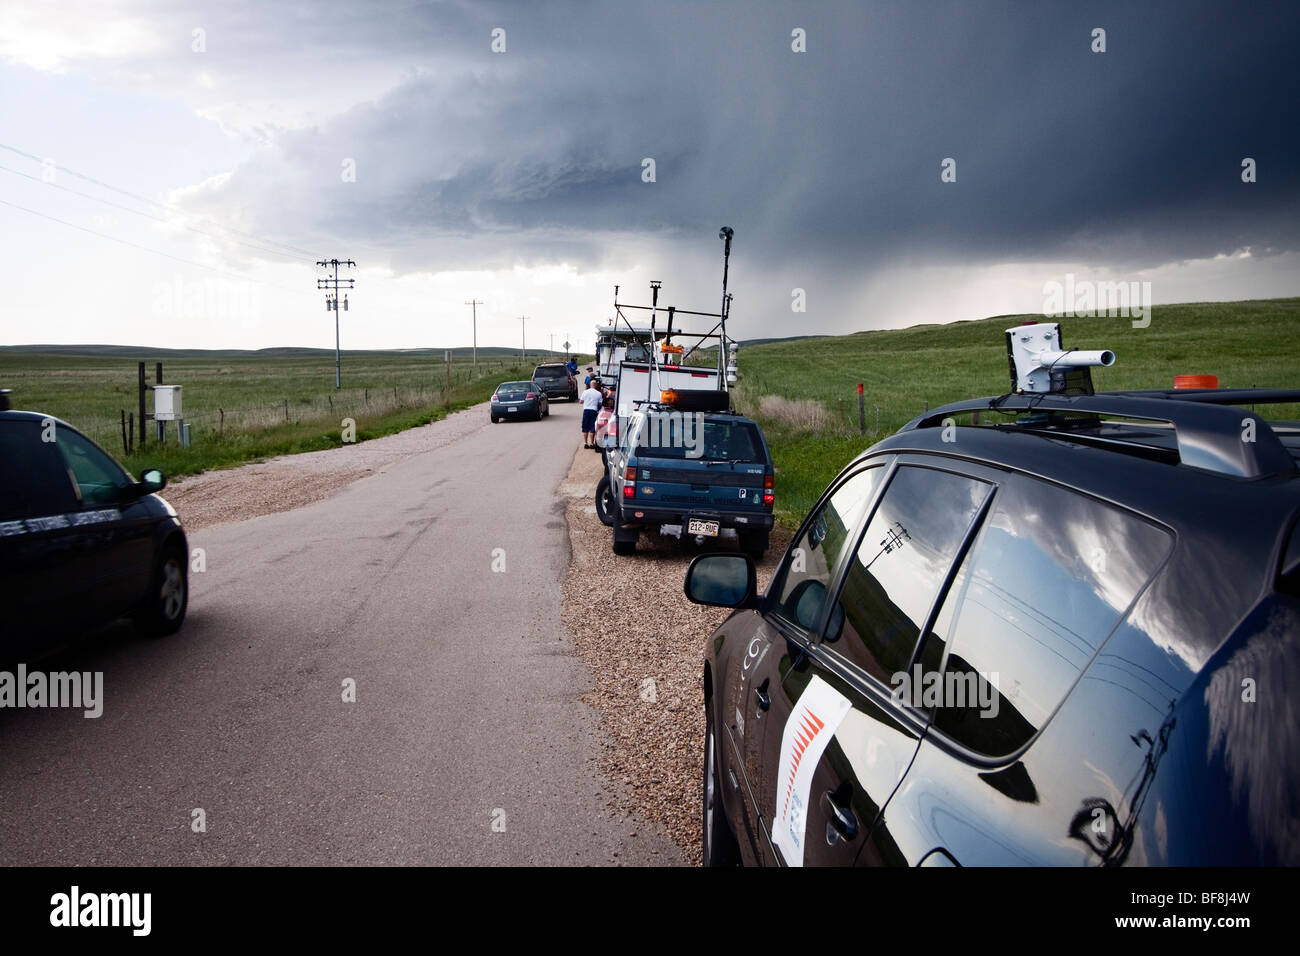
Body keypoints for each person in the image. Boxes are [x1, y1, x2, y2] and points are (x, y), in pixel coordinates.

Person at [579, 380, 603, 449]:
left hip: (586, 410)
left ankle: (586, 443)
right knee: (592, 427)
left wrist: (585, 401)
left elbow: (581, 401)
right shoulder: (598, 393)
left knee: (585, 427)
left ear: (590, 385)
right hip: (594, 411)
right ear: (595, 385)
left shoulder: (585, 392)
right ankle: (592, 443)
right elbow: (600, 403)